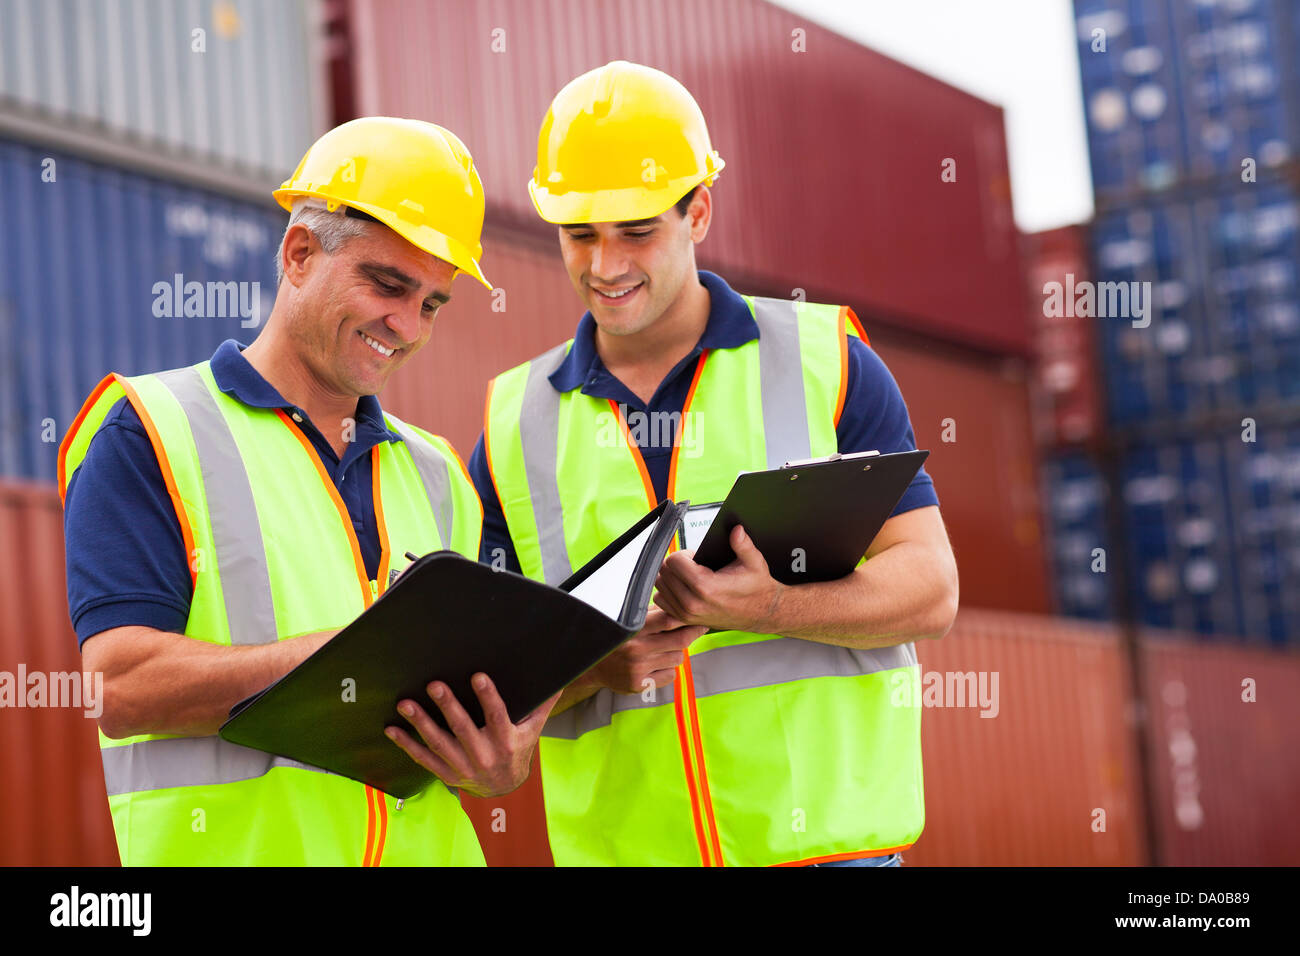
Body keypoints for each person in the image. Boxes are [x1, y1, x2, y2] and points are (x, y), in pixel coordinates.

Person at [469, 61, 960, 867]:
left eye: (636, 231)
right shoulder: (510, 426)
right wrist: (595, 670)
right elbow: (496, 677)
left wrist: (768, 607)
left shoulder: (825, 360)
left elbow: (931, 588)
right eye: (579, 234)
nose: (605, 265)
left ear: (698, 210)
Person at [60, 117, 557, 866]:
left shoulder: (442, 475)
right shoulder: (155, 432)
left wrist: (500, 762)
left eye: (430, 303)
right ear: (298, 254)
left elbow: (480, 720)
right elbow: (118, 686)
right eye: (387, 284)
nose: (407, 326)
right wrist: (339, 663)